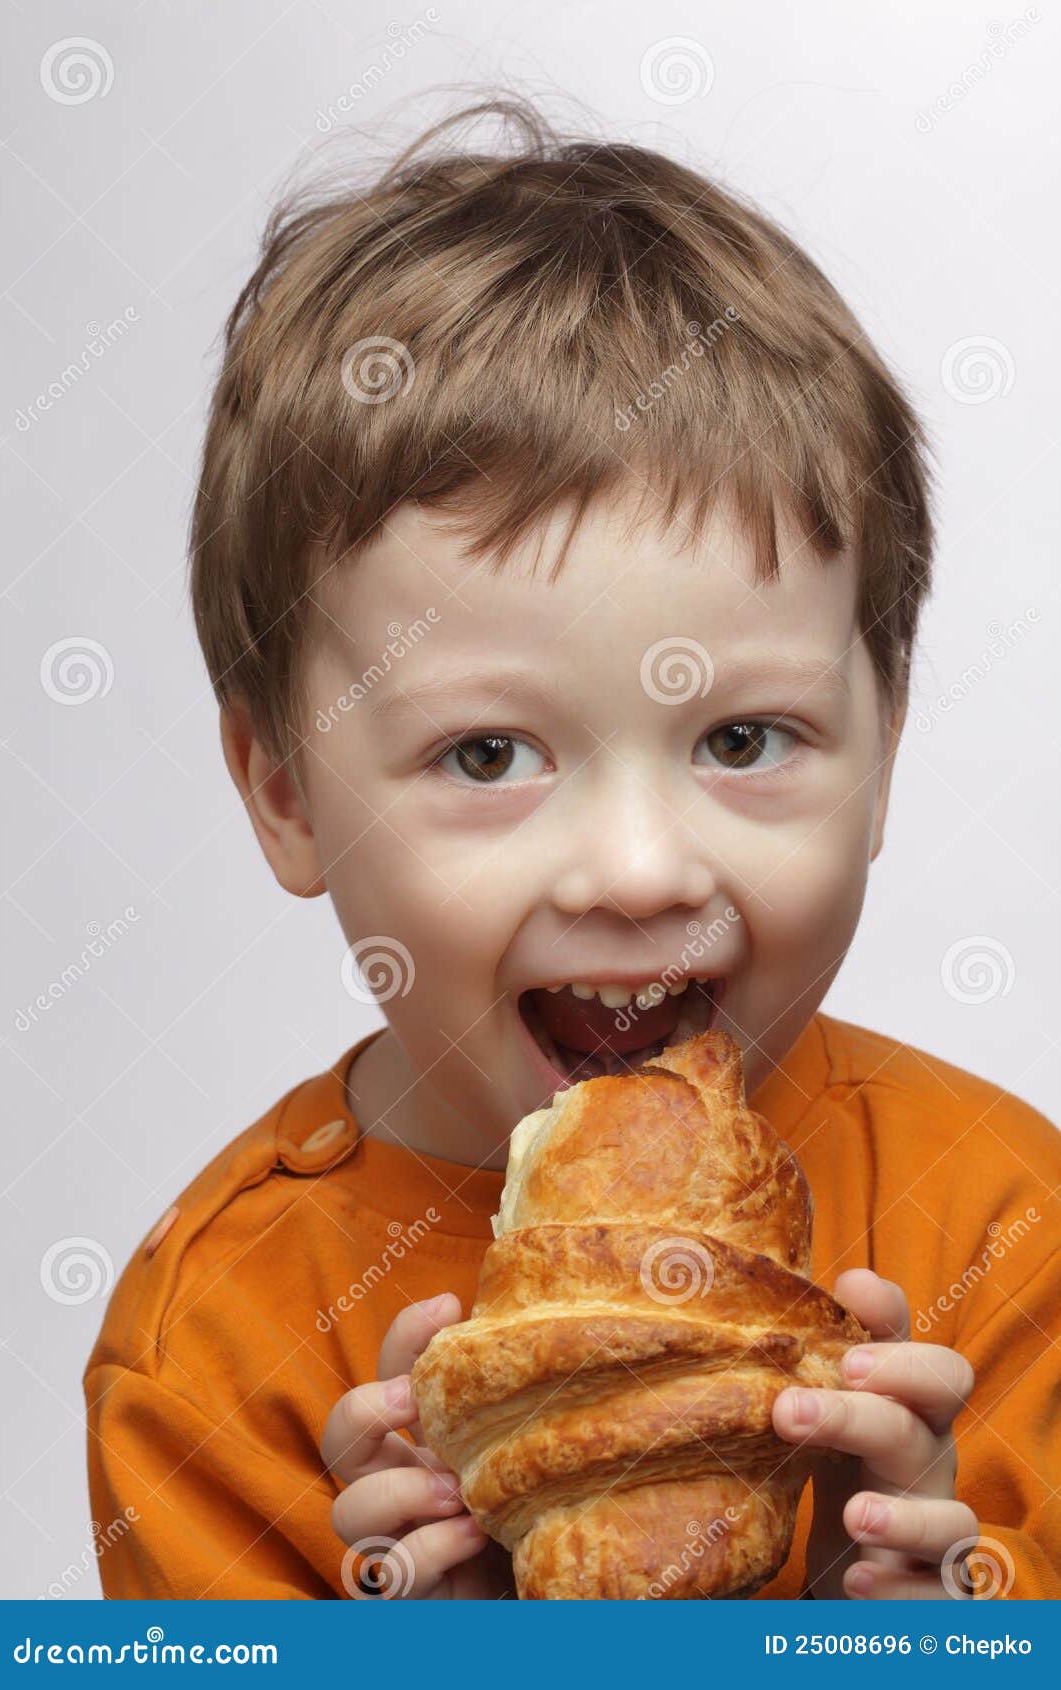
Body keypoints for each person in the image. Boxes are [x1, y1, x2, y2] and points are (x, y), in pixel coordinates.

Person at [84, 96, 1060, 1600]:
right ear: (285, 792)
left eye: (745, 738)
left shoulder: (1010, 1227)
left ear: (884, 752)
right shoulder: (214, 1351)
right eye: (489, 755)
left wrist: (930, 1636)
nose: (640, 870)